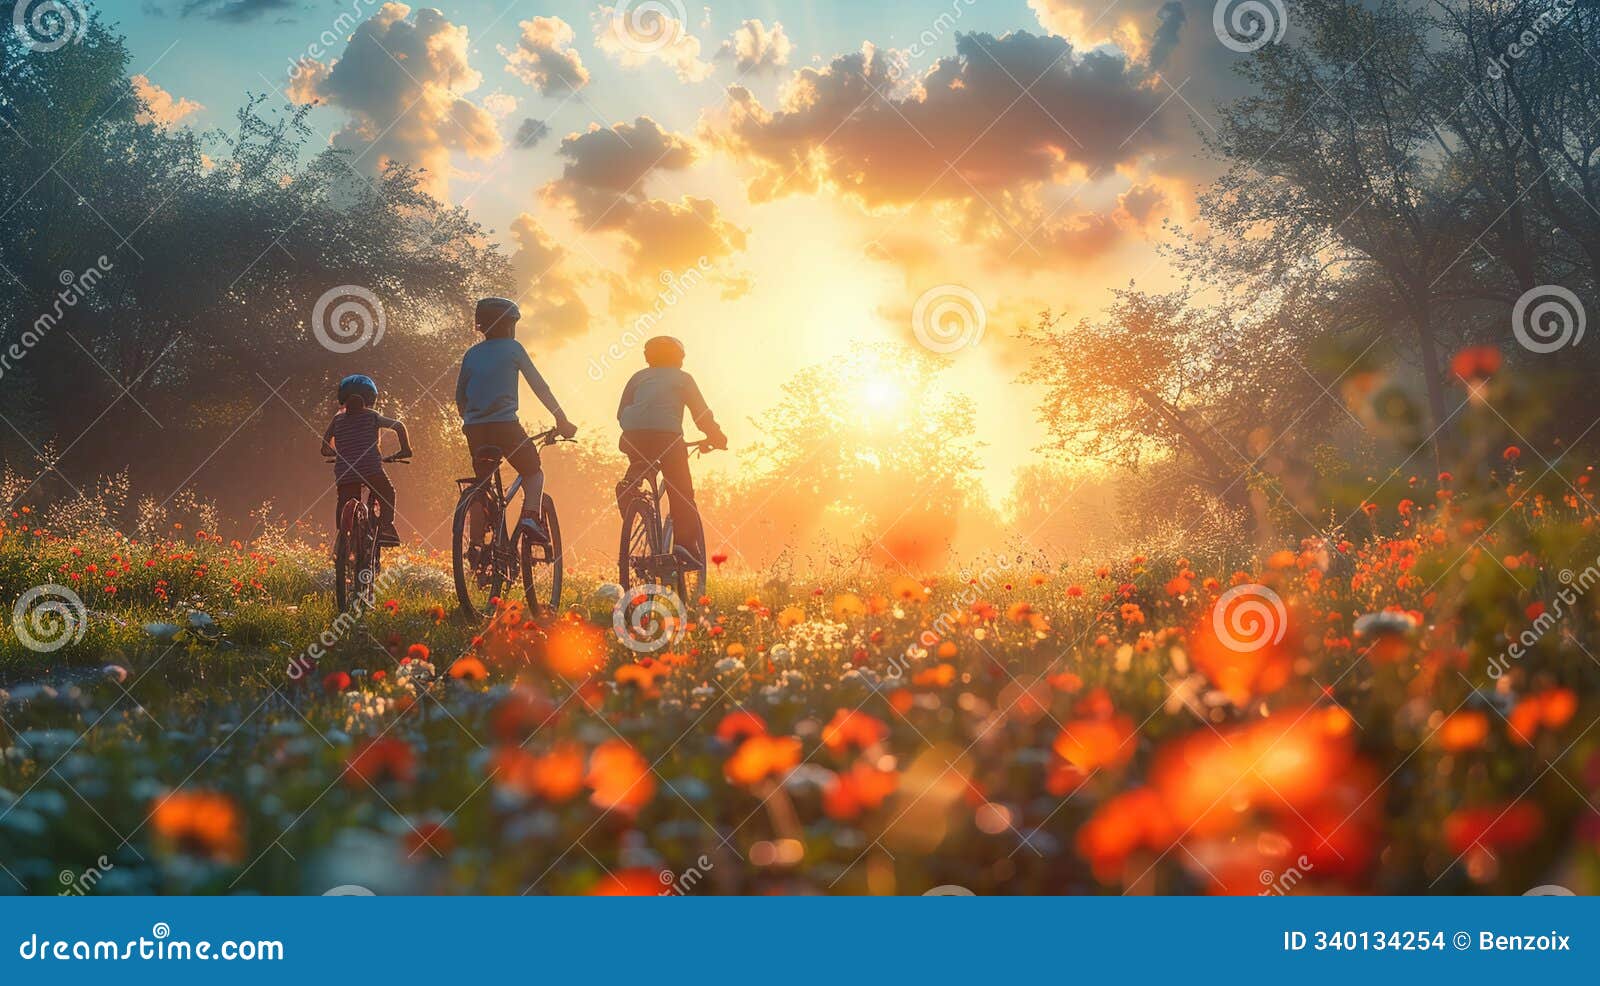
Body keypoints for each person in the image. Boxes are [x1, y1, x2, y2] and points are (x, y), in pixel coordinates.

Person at [455, 297, 577, 545]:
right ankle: (531, 517)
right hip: (505, 427)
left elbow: (460, 397)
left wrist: (473, 417)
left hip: (474, 429)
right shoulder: (514, 349)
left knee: (482, 484)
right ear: (510, 325)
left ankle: (477, 546)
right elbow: (540, 387)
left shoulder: (471, 354)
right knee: (533, 472)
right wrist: (561, 419)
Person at [615, 335, 727, 568]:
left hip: (633, 435)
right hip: (667, 438)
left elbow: (621, 412)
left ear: (649, 357)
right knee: (681, 490)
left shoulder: (638, 377)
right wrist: (716, 436)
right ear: (679, 358)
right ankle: (684, 545)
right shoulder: (683, 379)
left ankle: (631, 484)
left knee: (643, 460)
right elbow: (701, 414)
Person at [321, 374, 410, 547]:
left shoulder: (338, 420)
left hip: (345, 472)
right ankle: (386, 527)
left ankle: (342, 540)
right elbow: (398, 426)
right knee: (388, 492)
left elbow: (324, 447)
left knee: (344, 501)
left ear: (343, 398)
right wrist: (405, 450)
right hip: (371, 470)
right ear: (370, 398)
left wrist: (336, 454)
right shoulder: (372, 416)